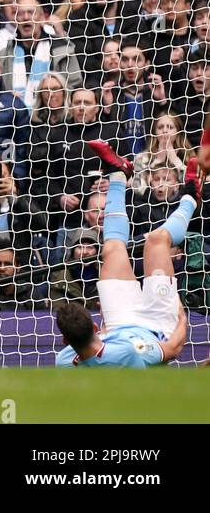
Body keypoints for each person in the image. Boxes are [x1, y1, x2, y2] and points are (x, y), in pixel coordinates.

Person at [55, 141, 193, 368]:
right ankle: (190, 196)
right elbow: (175, 347)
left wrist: (108, 331)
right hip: (157, 326)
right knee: (156, 241)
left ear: (65, 341)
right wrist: (179, 312)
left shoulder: (64, 361)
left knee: (111, 248)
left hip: (117, 324)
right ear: (95, 326)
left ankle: (118, 174)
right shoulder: (132, 354)